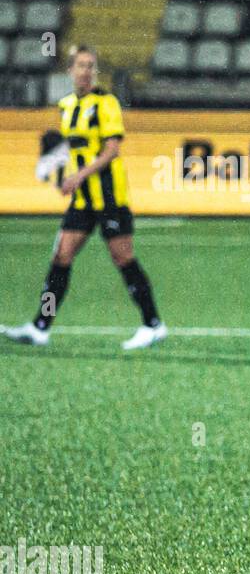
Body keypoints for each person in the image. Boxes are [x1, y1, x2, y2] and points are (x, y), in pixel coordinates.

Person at [5, 45, 167, 351]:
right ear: (70, 70)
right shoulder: (66, 105)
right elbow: (75, 149)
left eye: (91, 65)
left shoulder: (106, 103)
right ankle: (41, 326)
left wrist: (79, 176)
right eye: (81, 65)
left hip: (108, 196)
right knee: (61, 257)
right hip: (82, 200)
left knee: (123, 258)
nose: (86, 71)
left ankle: (153, 324)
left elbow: (111, 149)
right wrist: (58, 171)